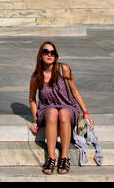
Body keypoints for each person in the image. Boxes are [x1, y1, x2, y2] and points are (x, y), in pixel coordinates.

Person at [27, 40, 92, 175]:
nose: (49, 55)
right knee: (52, 112)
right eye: (46, 52)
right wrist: (36, 119)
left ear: (56, 56)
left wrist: (85, 112)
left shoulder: (63, 69)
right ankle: (51, 158)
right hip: (47, 107)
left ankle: (64, 157)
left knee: (62, 113)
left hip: (67, 106)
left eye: (52, 52)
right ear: (41, 55)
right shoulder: (36, 76)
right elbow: (32, 99)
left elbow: (75, 91)